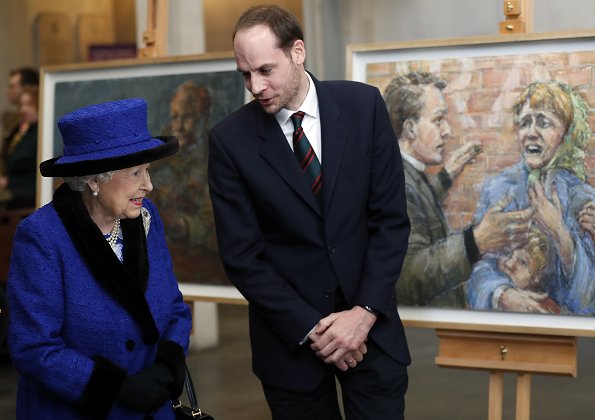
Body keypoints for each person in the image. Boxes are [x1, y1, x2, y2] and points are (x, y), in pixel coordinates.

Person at [208, 5, 411, 419]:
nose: (256, 86)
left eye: (266, 69)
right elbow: (243, 258)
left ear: (297, 51)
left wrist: (363, 314)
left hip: (371, 335)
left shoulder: (364, 106)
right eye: (245, 74)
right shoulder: (229, 141)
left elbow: (390, 222)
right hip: (291, 347)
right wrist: (314, 330)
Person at [7, 98, 193, 419]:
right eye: (135, 173)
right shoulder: (41, 237)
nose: (149, 185)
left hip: (154, 410)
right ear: (95, 180)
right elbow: (34, 347)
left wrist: (168, 363)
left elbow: (174, 307)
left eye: (147, 170)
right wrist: (120, 388)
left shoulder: (146, 217)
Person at [383, 71, 532, 307]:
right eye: (438, 119)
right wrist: (475, 241)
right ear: (410, 129)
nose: (447, 131)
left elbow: (417, 203)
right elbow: (407, 279)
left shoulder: (403, 172)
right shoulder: (396, 184)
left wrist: (447, 175)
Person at [466, 81, 595, 314]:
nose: (532, 133)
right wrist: (502, 294)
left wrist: (558, 231)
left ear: (565, 134)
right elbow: (478, 267)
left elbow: (588, 301)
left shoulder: (583, 198)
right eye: (525, 123)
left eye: (544, 123)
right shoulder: (498, 188)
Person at [150, 81, 221, 283]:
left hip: (198, 261)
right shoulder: (159, 149)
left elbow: (215, 226)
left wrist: (180, 224)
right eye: (175, 117)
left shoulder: (216, 158)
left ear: (204, 119)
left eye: (187, 117)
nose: (178, 126)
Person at [0, 85, 39, 208]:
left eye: (29, 105)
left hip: (29, 197)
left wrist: (8, 182)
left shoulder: (41, 133)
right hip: (15, 195)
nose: (23, 109)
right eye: (21, 105)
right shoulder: (20, 131)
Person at [1, 67, 39, 144]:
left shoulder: (38, 118)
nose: (8, 92)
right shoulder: (11, 118)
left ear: (27, 86)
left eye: (12, 87)